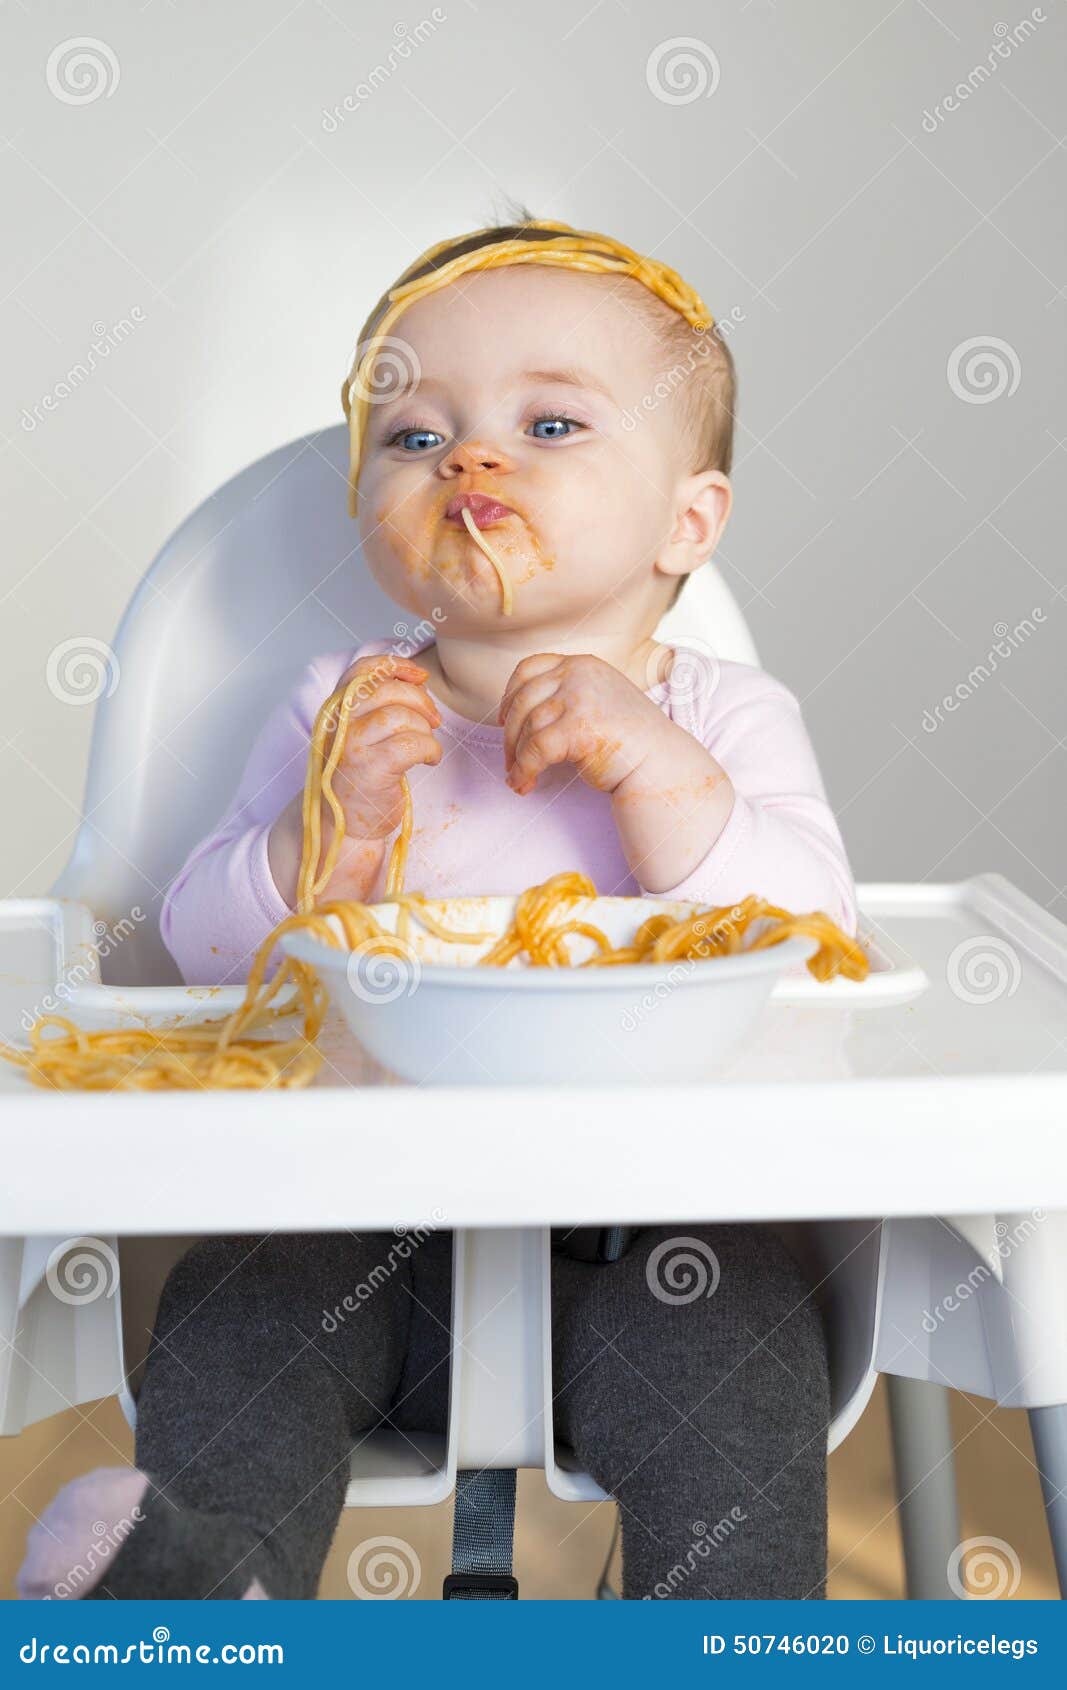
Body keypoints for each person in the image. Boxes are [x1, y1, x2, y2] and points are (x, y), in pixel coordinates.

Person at [19, 217, 854, 1601]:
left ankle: (729, 1635)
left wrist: (663, 776)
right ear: (367, 506)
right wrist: (321, 837)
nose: (469, 459)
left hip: (651, 1253)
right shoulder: (342, 712)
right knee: (236, 1312)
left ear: (688, 520)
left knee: (744, 1341)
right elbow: (197, 947)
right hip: (353, 1241)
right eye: (414, 435)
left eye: (550, 423)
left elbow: (822, 944)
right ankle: (202, 1587)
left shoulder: (725, 720)